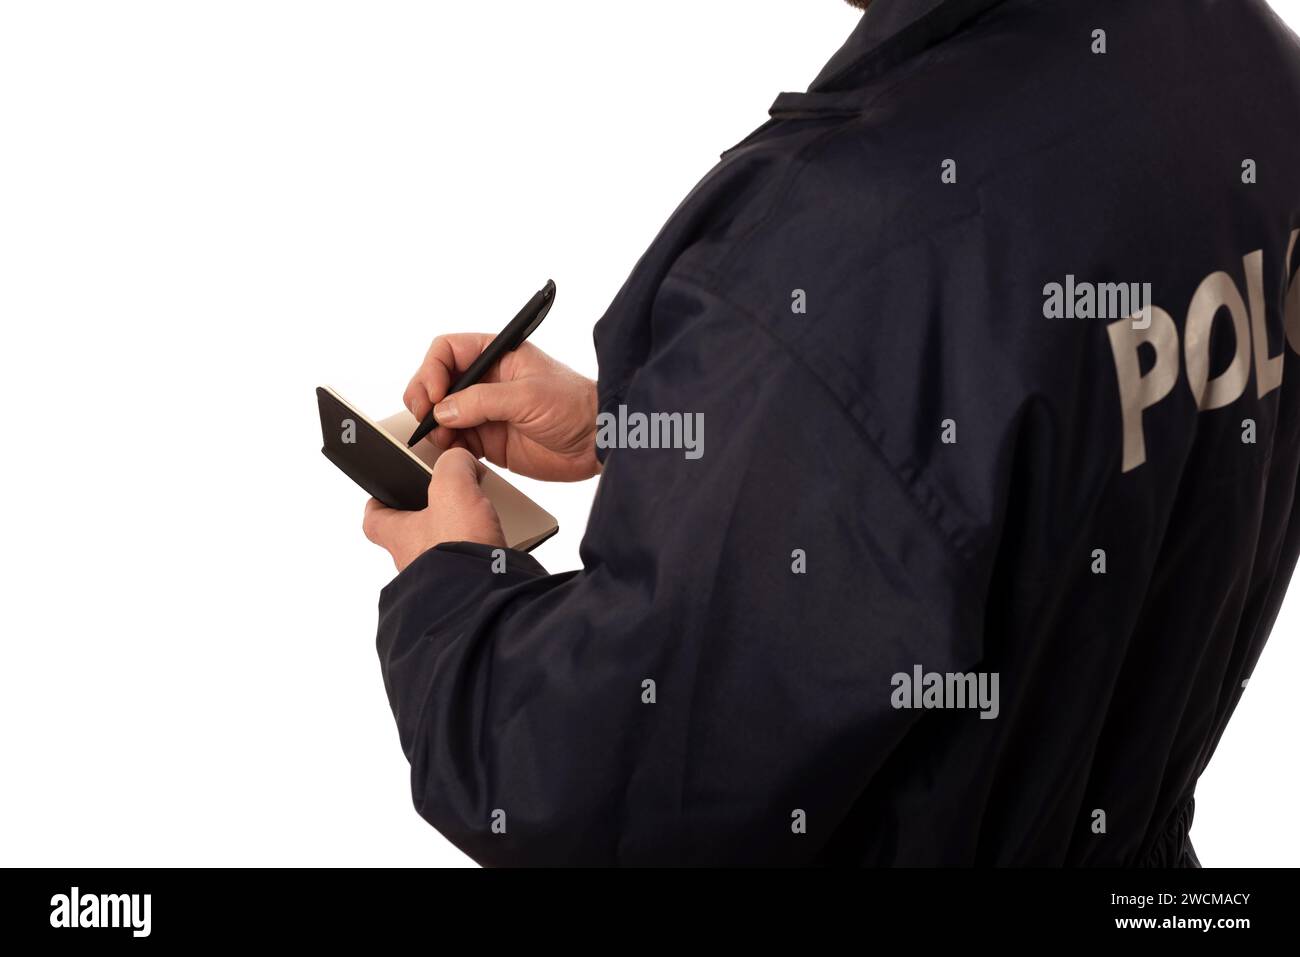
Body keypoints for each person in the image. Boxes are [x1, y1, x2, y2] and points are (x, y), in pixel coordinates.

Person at [360, 0, 1300, 865]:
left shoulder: (865, 236)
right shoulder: (1251, 68)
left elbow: (604, 792)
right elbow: (1015, 424)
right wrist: (705, 421)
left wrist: (450, 595)